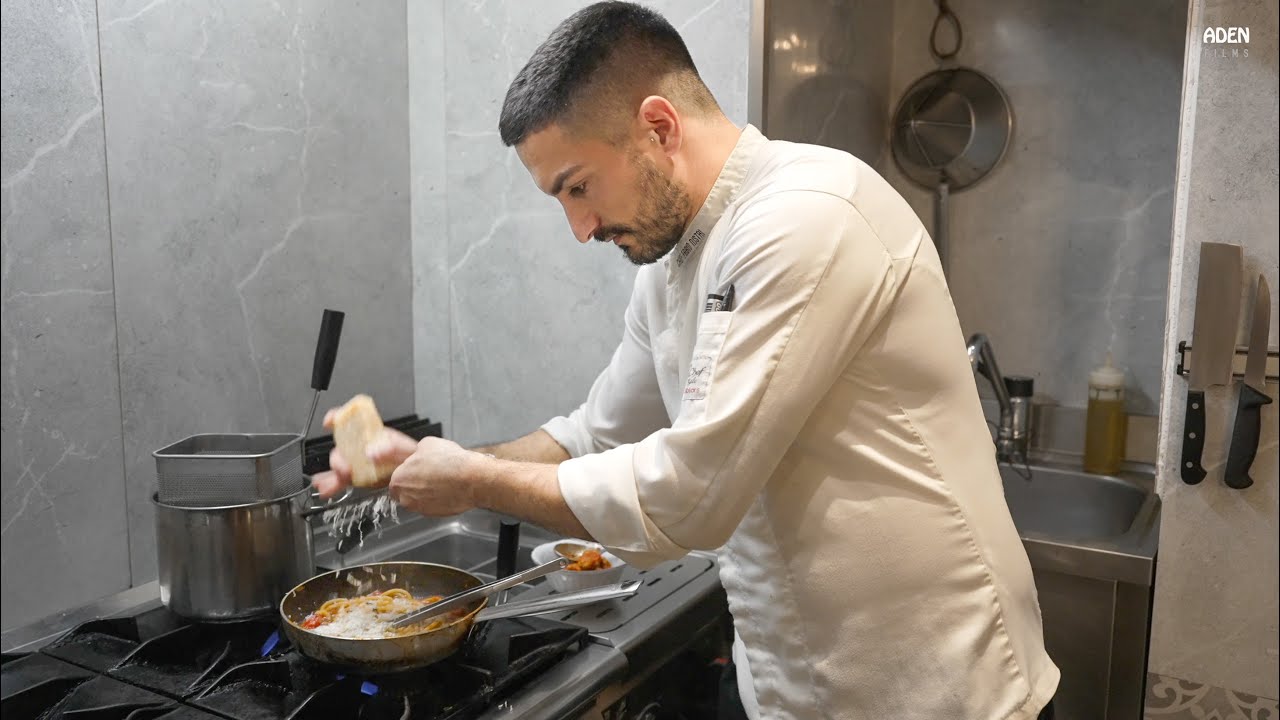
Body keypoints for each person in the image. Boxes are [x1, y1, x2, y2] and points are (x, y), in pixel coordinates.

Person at [314, 3, 1060, 718]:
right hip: (786, 687)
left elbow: (689, 498)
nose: (579, 228)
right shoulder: (670, 266)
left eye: (577, 187)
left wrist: (475, 480)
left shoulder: (806, 215)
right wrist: (438, 461)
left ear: (659, 127)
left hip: (933, 692)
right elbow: (595, 432)